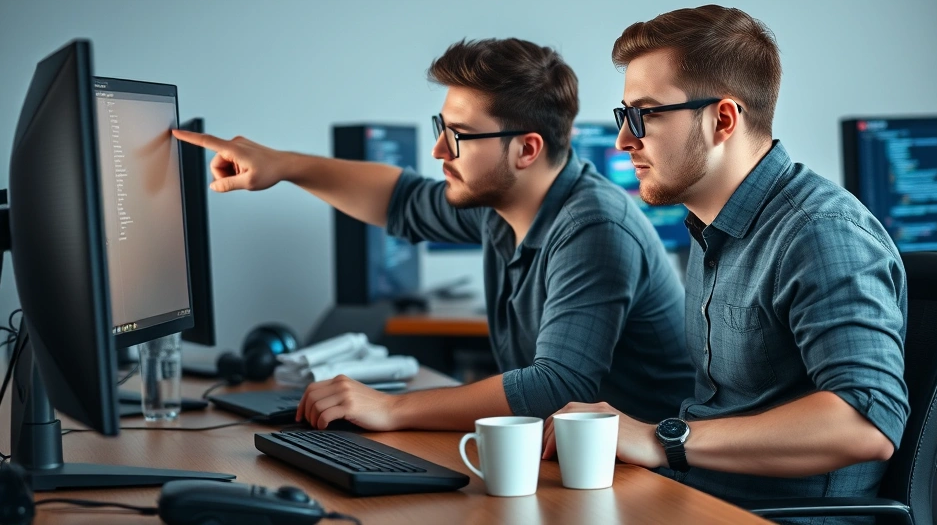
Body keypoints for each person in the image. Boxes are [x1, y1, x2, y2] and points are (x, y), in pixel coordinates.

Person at [174, 38, 694, 432]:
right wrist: (281, 165)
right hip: (570, 461)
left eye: (459, 136)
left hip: (652, 485)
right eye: (439, 128)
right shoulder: (505, 203)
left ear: (527, 149)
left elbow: (557, 386)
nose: (439, 152)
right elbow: (399, 199)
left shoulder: (594, 226)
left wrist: (392, 407)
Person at [542, 5, 910, 512]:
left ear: (723, 118)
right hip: (697, 497)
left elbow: (865, 424)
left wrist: (662, 440)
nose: (625, 139)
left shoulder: (820, 234)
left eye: (643, 114)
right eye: (623, 116)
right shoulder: (714, 230)